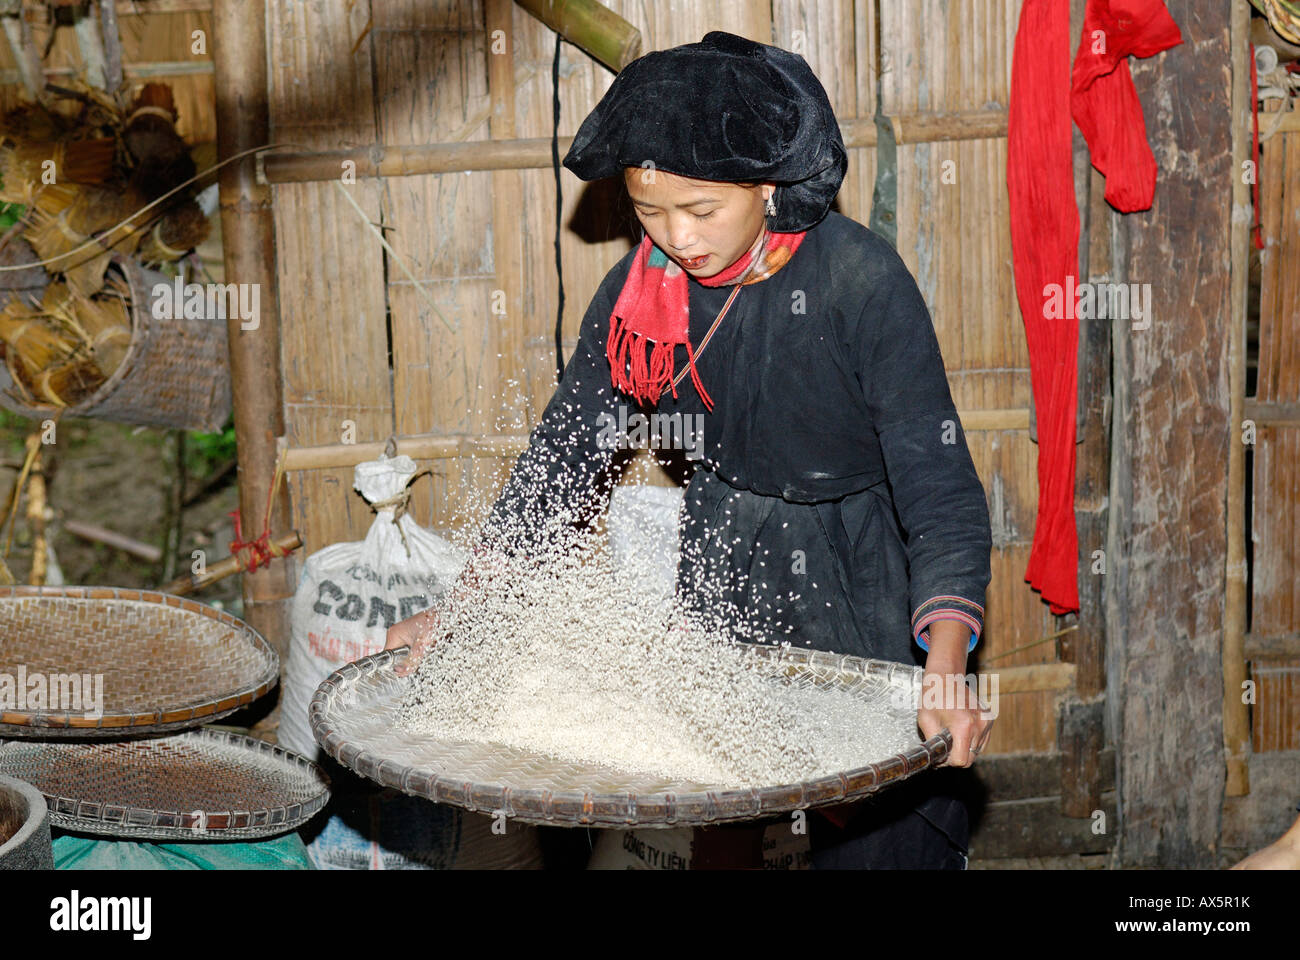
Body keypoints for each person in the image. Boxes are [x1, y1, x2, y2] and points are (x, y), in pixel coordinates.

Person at [386, 30, 994, 869]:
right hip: (725, 556)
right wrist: (468, 607)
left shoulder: (862, 282)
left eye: (703, 211)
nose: (678, 238)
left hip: (858, 568)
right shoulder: (642, 294)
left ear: (770, 187)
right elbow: (565, 457)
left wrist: (949, 663)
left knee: (883, 826)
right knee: (722, 806)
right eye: (648, 212)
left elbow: (940, 488)